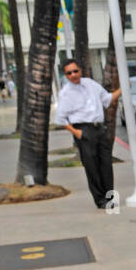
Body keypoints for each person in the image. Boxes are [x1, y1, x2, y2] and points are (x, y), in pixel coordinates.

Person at [54, 59, 121, 210]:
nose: (73, 75)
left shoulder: (90, 84)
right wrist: (77, 132)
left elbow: (107, 99)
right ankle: (100, 200)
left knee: (106, 165)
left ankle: (111, 200)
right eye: (69, 73)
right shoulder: (65, 93)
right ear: (65, 75)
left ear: (80, 70)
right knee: (92, 167)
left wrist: (122, 89)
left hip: (100, 129)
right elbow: (60, 119)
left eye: (75, 71)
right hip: (84, 131)